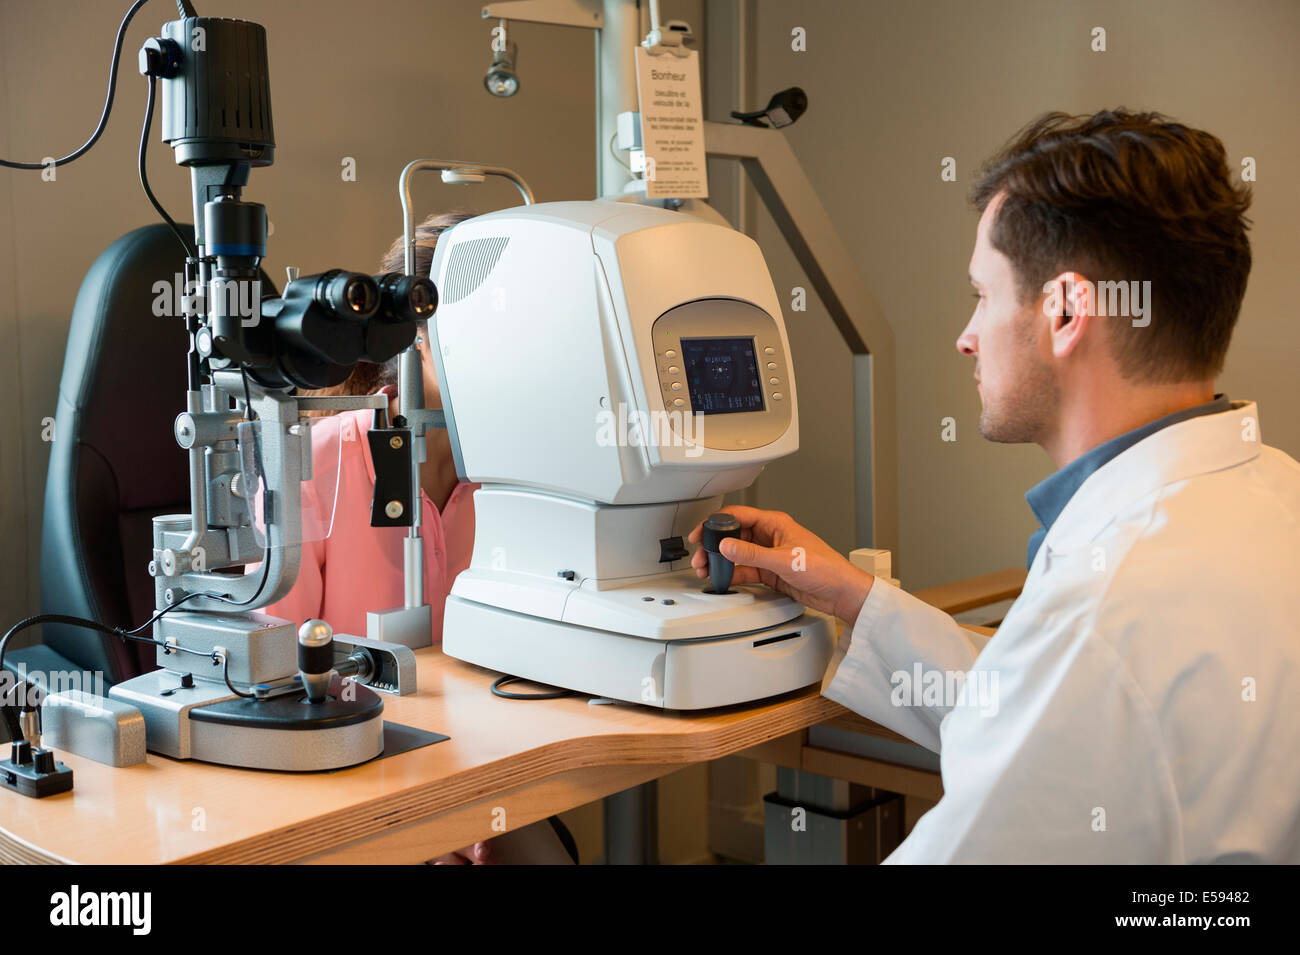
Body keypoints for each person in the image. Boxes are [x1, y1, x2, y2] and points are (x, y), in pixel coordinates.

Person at [690, 109, 1300, 863]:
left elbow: (1071, 697)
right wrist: (852, 595)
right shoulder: (1274, 493)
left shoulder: (1105, 618)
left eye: (982, 294)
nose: (966, 335)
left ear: (1067, 310)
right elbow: (1051, 714)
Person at [263, 211, 578, 865]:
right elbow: (274, 684)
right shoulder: (316, 464)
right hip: (348, 788)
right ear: (417, 334)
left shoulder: (513, 476)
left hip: (485, 774)